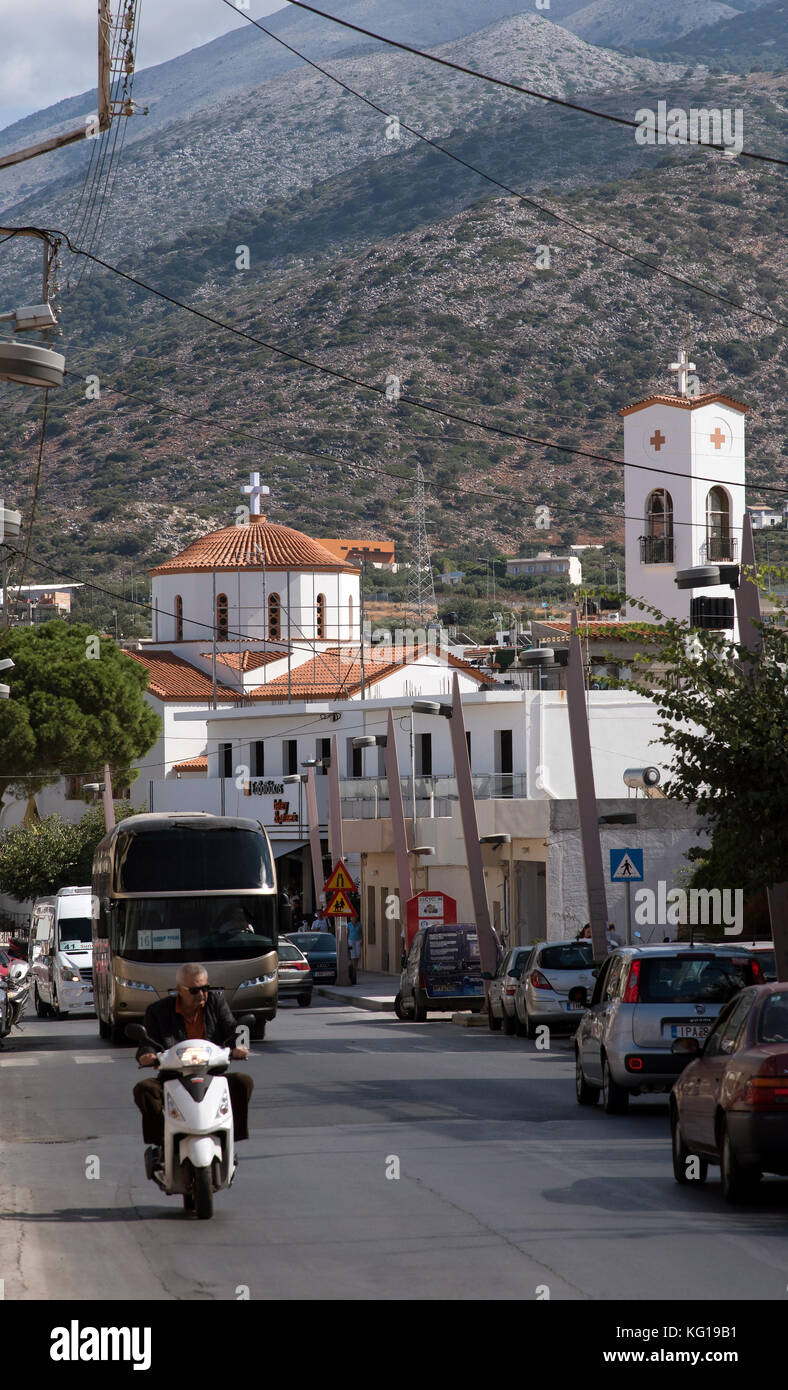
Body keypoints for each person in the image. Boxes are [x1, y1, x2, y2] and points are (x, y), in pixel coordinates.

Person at [133, 963, 253, 1163]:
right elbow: (147, 1043)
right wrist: (147, 1055)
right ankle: (163, 1142)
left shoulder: (217, 1003)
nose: (202, 994)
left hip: (212, 1075)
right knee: (144, 1089)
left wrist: (239, 1046)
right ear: (180, 990)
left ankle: (230, 1138)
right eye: (195, 990)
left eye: (205, 988)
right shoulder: (158, 1011)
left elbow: (233, 1029)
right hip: (173, 1077)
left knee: (243, 1081)